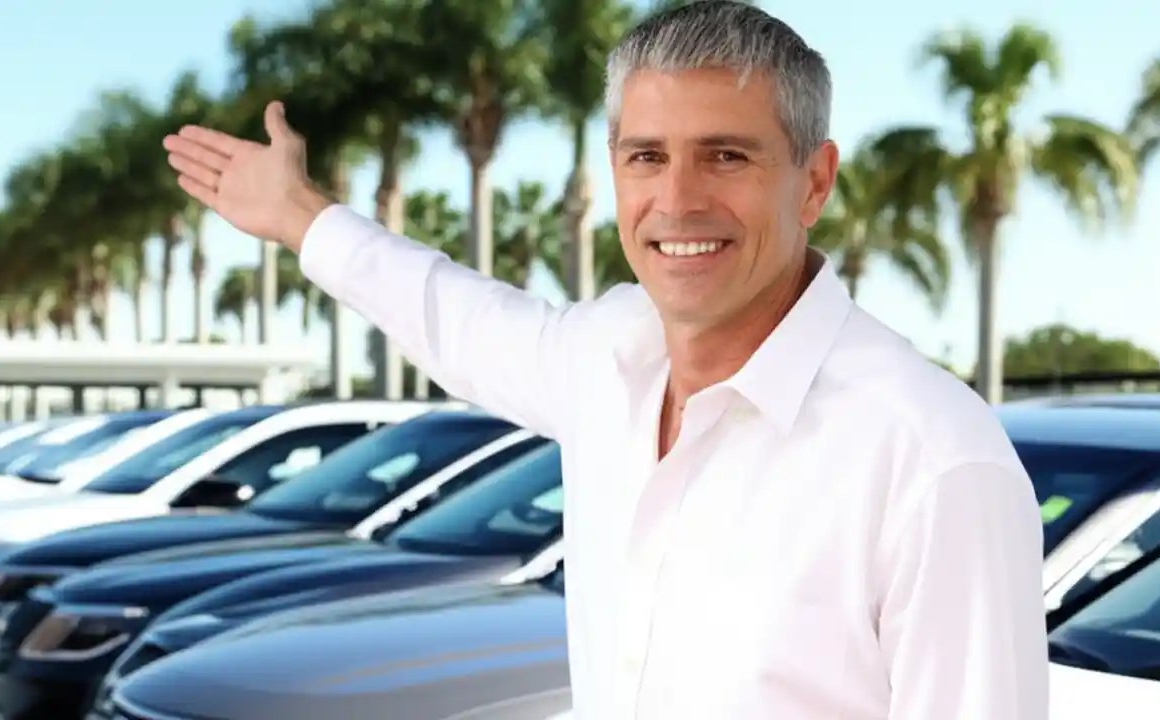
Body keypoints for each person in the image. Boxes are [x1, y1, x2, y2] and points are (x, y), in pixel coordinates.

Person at [164, 2, 1048, 717]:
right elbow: (449, 313)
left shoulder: (933, 459)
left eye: (726, 156)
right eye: (647, 157)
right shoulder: (608, 354)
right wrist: (298, 215)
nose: (677, 200)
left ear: (814, 180)